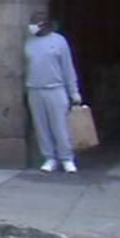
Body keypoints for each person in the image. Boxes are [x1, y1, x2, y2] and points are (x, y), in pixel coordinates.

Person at [24, 12, 82, 173]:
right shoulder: (29, 42)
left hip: (55, 89)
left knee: (60, 126)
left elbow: (67, 67)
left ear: (43, 24)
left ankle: (67, 158)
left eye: (35, 22)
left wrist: (74, 91)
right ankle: (49, 158)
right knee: (41, 127)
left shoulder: (59, 41)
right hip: (35, 89)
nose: (31, 26)